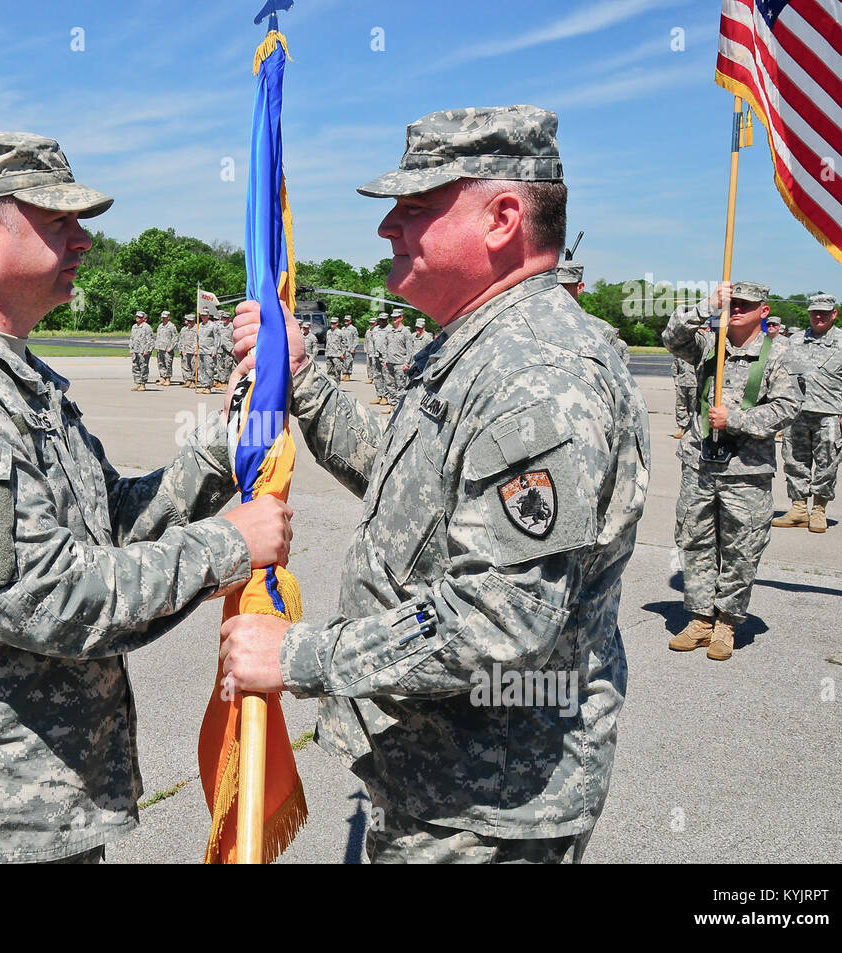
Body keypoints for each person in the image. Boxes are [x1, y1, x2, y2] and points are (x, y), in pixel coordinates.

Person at [0, 131, 293, 864]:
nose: (84, 242)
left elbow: (113, 520)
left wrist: (229, 438)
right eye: (60, 223)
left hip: (36, 816)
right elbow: (36, 593)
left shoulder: (17, 382)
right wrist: (227, 546)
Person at [220, 105, 649, 864]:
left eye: (415, 208)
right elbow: (411, 492)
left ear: (504, 217)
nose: (388, 228)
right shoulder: (486, 344)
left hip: (485, 804)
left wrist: (299, 657)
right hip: (446, 780)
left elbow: (496, 621)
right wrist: (304, 381)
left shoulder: (534, 372)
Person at [662, 281, 799, 661]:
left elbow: (788, 407)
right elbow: (672, 338)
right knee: (695, 541)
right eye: (732, 302)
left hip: (747, 470)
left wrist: (735, 419)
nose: (736, 308)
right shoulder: (709, 345)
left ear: (764, 310)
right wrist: (707, 305)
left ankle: (726, 622)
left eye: (745, 304)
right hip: (701, 463)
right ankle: (700, 618)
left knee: (742, 548)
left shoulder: (781, 353)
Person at [772, 293, 842, 532]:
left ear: (834, 314)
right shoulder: (795, 340)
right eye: (815, 312)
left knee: (827, 463)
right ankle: (798, 509)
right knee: (794, 461)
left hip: (831, 413)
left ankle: (819, 510)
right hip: (798, 412)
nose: (819, 316)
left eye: (824, 312)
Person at [381, 307, 411, 410]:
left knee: (400, 386)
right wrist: (385, 359)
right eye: (393, 317)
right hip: (389, 362)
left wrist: (406, 363)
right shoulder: (389, 331)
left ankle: (399, 408)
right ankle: (393, 405)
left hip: (400, 364)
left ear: (401, 317)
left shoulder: (406, 332)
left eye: (396, 317)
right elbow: (385, 345)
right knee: (390, 385)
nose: (394, 319)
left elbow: (409, 349)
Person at [129, 310, 154, 391]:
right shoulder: (134, 327)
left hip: (143, 351)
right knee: (135, 367)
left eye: (139, 317)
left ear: (143, 318)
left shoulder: (147, 327)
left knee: (143, 368)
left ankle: (143, 384)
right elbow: (132, 339)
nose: (137, 318)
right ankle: (138, 383)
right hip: (135, 351)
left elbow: (150, 340)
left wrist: (147, 351)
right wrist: (131, 349)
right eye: (137, 316)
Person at [367, 312, 389, 404]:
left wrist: (389, 357)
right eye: (381, 320)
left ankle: (385, 396)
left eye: (384, 320)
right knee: (377, 376)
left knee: (386, 376)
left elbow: (391, 344)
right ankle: (379, 395)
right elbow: (372, 342)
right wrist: (371, 354)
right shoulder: (375, 329)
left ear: (387, 320)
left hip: (386, 356)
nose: (382, 322)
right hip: (376, 355)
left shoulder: (390, 329)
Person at [196, 309, 218, 393]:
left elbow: (217, 339)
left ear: (208, 316)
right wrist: (197, 349)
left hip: (209, 351)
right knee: (201, 369)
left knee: (209, 369)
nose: (203, 317)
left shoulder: (213, 325)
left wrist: (214, 351)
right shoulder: (200, 325)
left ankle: (208, 387)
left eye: (204, 315)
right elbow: (197, 339)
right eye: (201, 315)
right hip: (201, 350)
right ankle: (203, 385)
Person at [154, 310, 178, 386]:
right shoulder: (160, 326)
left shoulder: (171, 326)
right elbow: (158, 337)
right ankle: (162, 378)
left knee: (168, 364)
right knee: (161, 363)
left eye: (165, 317)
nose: (163, 319)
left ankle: (168, 379)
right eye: (162, 317)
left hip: (168, 349)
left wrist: (171, 348)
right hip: (160, 348)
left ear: (168, 317)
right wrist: (157, 346)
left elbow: (175, 338)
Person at [179, 313, 197, 386]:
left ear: (194, 321)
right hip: (185, 350)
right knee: (186, 366)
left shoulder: (197, 328)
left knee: (194, 366)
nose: (189, 322)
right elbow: (181, 339)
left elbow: (198, 340)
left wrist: (196, 350)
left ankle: (193, 380)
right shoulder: (184, 329)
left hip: (193, 350)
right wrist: (180, 349)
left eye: (190, 321)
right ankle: (188, 379)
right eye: (188, 321)